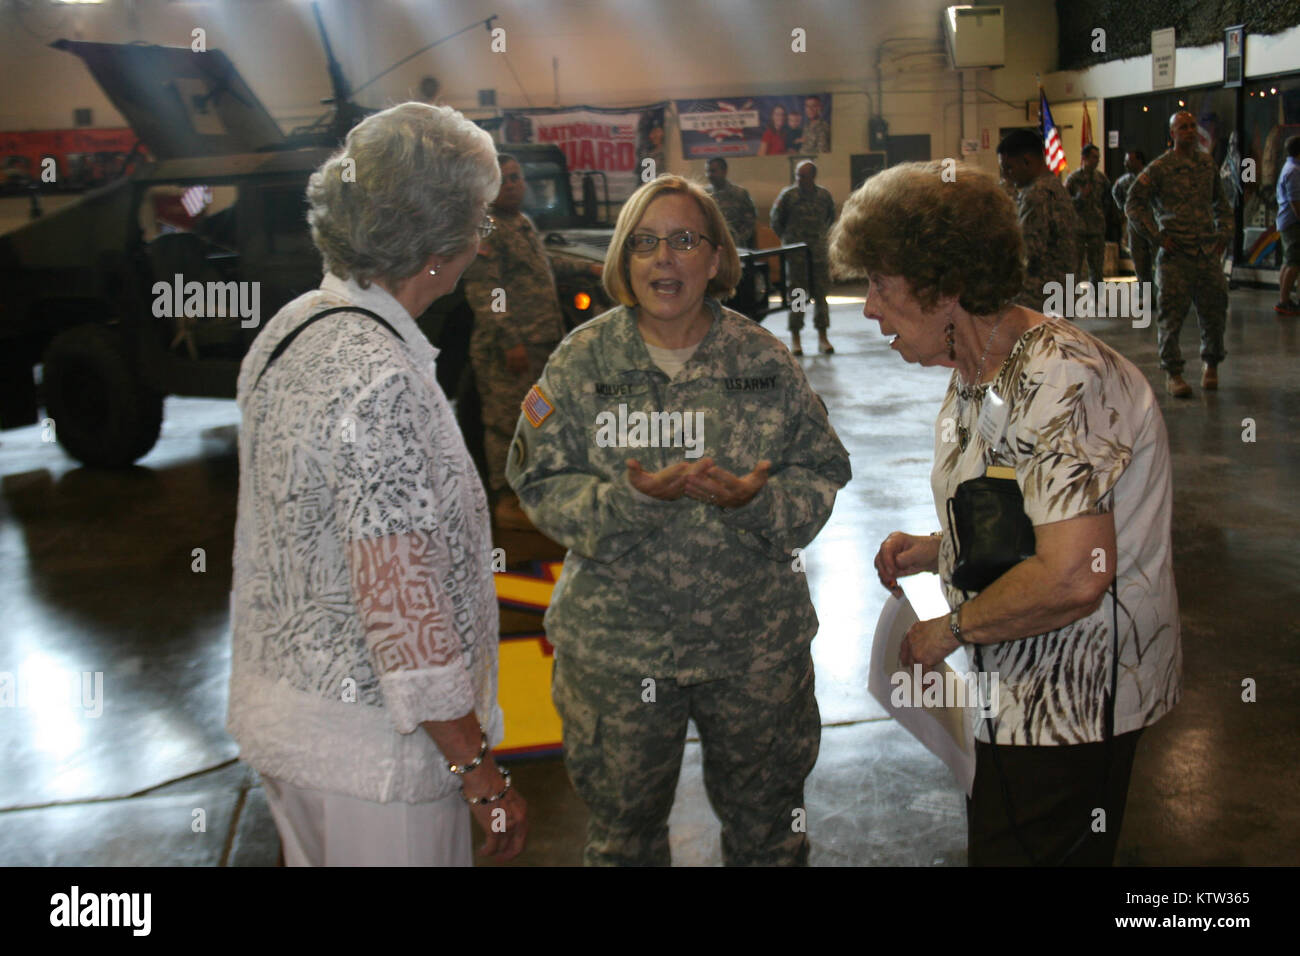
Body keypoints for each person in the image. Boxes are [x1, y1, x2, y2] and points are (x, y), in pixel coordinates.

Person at [830, 161, 1181, 867]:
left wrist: (950, 630)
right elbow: (1023, 511)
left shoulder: (1061, 378)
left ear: (945, 285)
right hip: (1013, 691)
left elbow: (1075, 575)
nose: (867, 306)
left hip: (1075, 703)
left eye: (879, 283)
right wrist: (939, 549)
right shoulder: (977, 371)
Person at [506, 174, 851, 866]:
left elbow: (822, 471)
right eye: (645, 243)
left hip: (753, 648)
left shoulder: (762, 360)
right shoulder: (581, 362)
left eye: (684, 241)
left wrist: (756, 503)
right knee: (623, 841)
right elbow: (537, 477)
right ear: (624, 261)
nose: (664, 259)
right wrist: (629, 503)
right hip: (617, 649)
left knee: (769, 838)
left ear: (718, 258)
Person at [228, 103, 527, 866]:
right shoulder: (381, 377)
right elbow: (403, 606)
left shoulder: (292, 328)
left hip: (288, 724)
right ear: (438, 247)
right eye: (477, 223)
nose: (481, 240)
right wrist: (478, 771)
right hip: (376, 760)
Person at [462, 153, 602, 530]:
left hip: (542, 343)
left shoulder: (521, 223)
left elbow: (544, 266)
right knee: (506, 422)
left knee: (537, 418)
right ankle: (505, 496)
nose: (515, 185)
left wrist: (588, 267)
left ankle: (532, 486)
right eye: (506, 180)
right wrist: (511, 342)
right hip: (509, 350)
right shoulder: (486, 228)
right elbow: (488, 292)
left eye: (517, 177)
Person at [1126, 111, 1232, 397]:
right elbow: (1134, 203)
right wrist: (1157, 236)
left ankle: (1211, 364)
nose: (1188, 131)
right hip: (1176, 256)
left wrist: (1224, 233)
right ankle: (1173, 373)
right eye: (1181, 127)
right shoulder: (1160, 168)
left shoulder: (1207, 164)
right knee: (1171, 316)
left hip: (1206, 252)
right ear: (1172, 134)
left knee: (1215, 310)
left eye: (1191, 126)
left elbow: (1222, 203)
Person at [997, 129, 1080, 312]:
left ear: (1027, 161)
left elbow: (1027, 252)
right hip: (1060, 293)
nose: (1006, 176)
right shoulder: (1054, 185)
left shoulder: (1036, 194)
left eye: (1009, 168)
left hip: (1038, 297)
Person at [771, 160, 837, 354]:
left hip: (818, 254)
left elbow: (830, 219)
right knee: (798, 296)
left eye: (803, 176)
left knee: (821, 296)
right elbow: (776, 222)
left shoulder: (824, 196)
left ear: (813, 177)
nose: (799, 179)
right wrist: (790, 241)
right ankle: (796, 338)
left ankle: (823, 337)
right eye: (797, 175)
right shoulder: (788, 196)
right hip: (796, 257)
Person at [1112, 149, 1158, 312]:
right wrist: (1125, 211)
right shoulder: (1124, 182)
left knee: (1159, 263)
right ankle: (1147, 299)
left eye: (1129, 160)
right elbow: (1116, 194)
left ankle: (1163, 297)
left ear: (1139, 161)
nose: (1126, 164)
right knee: (1140, 265)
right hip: (1135, 228)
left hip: (1154, 226)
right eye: (1125, 160)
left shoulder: (1152, 176)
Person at [1065, 143, 1110, 289]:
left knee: (1096, 268)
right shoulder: (1073, 179)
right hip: (1077, 230)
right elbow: (1064, 203)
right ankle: (1072, 301)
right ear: (1084, 158)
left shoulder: (1101, 179)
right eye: (1093, 157)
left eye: (1098, 158)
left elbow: (1107, 202)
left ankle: (1098, 300)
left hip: (1096, 230)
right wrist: (1080, 197)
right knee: (1075, 267)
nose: (1096, 160)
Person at [705, 157, 758, 248]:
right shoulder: (704, 195)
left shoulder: (739, 194)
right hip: (713, 246)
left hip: (738, 246)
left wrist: (737, 240)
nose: (709, 175)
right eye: (707, 171)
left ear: (724, 171)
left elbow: (750, 221)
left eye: (713, 171)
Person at [1275, 135, 1300, 316]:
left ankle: (1284, 299)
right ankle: (1284, 302)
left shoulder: (1290, 167)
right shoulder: (1294, 171)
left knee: (1289, 260)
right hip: (1293, 222)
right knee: (1294, 262)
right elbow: (1296, 201)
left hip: (1286, 220)